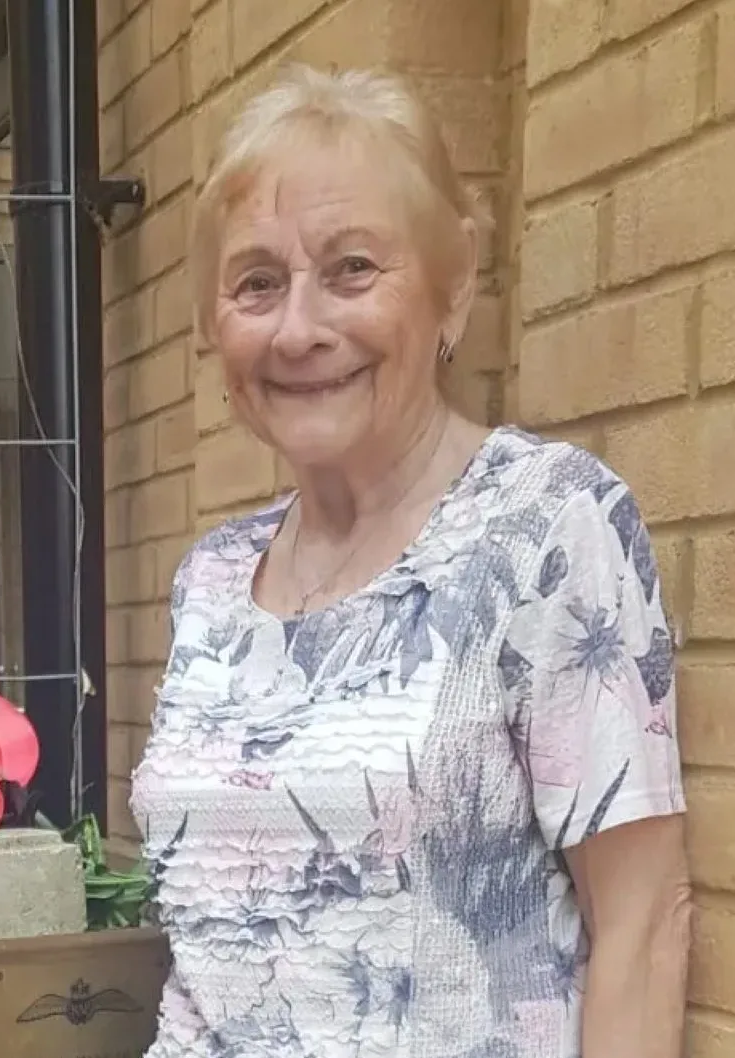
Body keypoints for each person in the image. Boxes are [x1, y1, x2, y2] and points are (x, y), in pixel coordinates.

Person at [129, 64, 691, 1058]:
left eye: (352, 269)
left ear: (453, 280)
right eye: (257, 282)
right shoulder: (211, 581)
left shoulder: (545, 529)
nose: (300, 327)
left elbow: (642, 926)